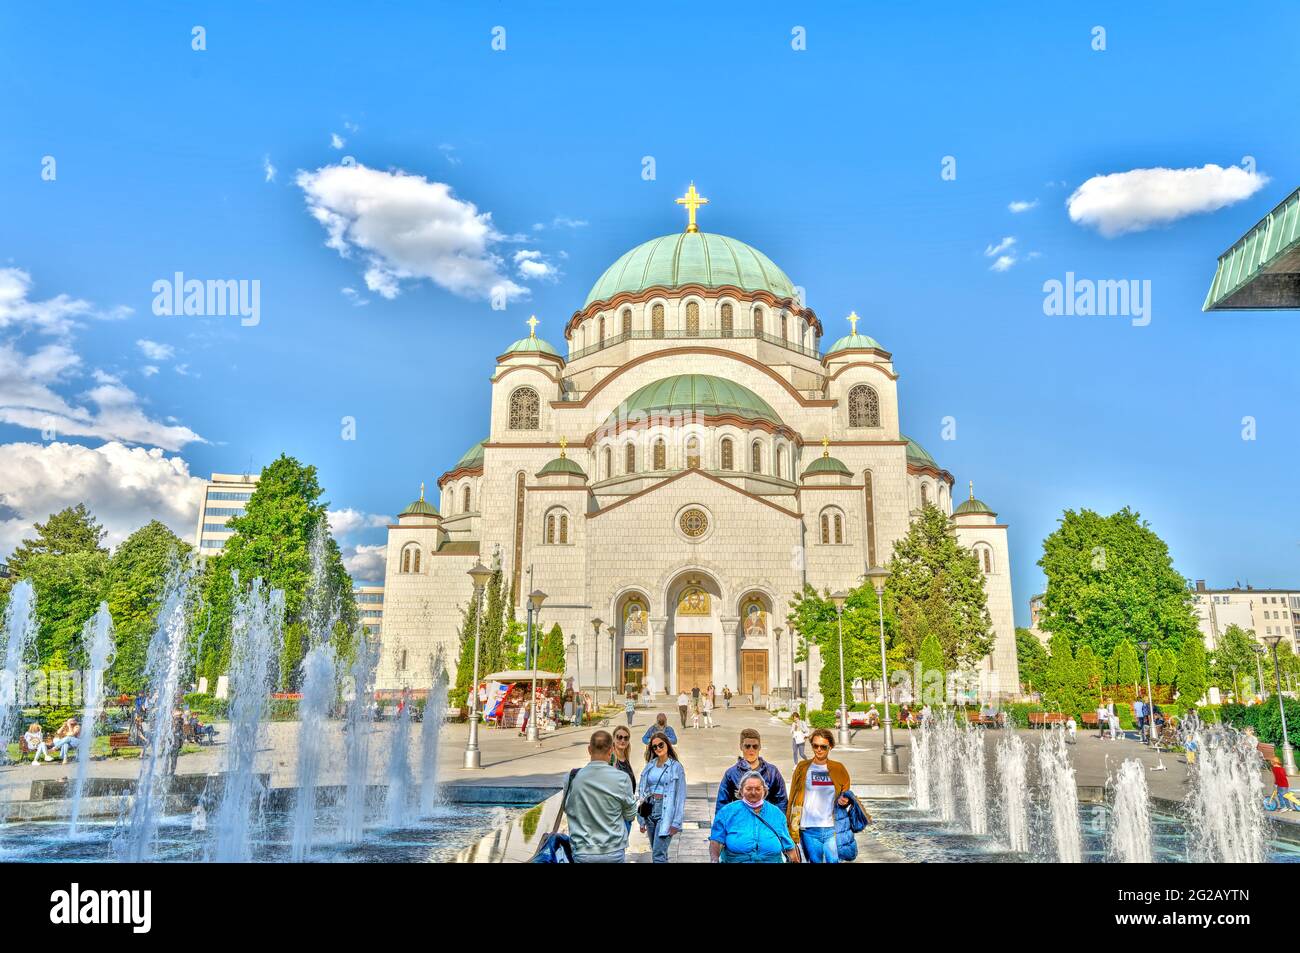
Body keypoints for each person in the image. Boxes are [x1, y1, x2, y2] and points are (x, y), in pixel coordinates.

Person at [566, 730, 637, 863]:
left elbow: (568, 809)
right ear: (611, 751)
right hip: (613, 850)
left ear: (589, 749)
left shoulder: (572, 778)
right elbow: (630, 815)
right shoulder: (622, 778)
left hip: (583, 850)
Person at [787, 727, 851, 863]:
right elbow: (792, 796)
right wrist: (790, 825)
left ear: (830, 747)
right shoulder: (802, 767)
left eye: (823, 746)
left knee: (833, 861)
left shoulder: (839, 768)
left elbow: (847, 794)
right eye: (815, 746)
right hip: (808, 828)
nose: (819, 749)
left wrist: (844, 800)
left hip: (832, 828)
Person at [709, 770, 800, 863]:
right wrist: (714, 859)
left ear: (764, 791)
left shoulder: (776, 814)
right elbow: (716, 840)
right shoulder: (727, 812)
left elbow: (788, 845)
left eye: (758, 789)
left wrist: (795, 860)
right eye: (748, 789)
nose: (753, 792)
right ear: (741, 790)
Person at [639, 731, 686, 863]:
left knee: (658, 856)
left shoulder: (676, 767)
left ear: (667, 745)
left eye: (661, 745)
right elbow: (643, 790)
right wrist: (641, 818)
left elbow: (680, 795)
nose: (658, 748)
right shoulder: (650, 765)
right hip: (649, 810)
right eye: (655, 747)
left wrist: (676, 822)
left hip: (665, 812)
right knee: (659, 852)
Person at [717, 728, 788, 812]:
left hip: (765, 822)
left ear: (760, 747)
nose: (751, 749)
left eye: (755, 746)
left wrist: (778, 822)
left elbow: (781, 801)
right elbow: (722, 805)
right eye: (747, 746)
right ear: (741, 747)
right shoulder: (731, 774)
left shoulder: (772, 772)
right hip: (741, 822)